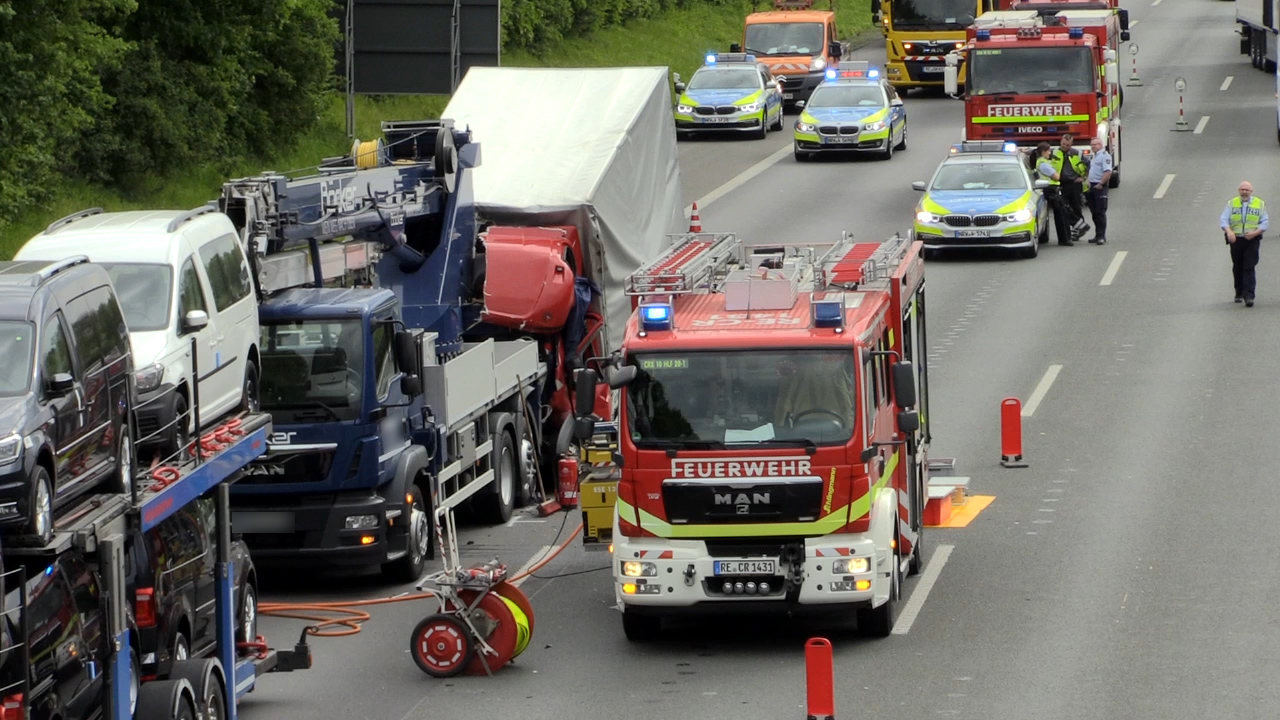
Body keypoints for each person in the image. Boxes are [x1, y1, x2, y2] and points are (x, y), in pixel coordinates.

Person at [1220, 181, 1269, 307]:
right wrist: (1229, 231)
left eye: (1246, 190)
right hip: (1236, 239)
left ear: (1251, 191)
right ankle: (1239, 292)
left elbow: (1264, 222)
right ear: (1238, 190)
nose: (1244, 192)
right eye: (1242, 189)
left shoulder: (1259, 203)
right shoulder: (1232, 203)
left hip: (1252, 239)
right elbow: (1224, 219)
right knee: (1238, 266)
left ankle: (1249, 296)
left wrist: (1255, 233)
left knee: (1249, 266)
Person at [1028, 142, 1074, 246]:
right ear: (1043, 152)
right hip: (1050, 189)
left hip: (1048, 189)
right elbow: (1056, 177)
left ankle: (1065, 238)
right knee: (1061, 215)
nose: (1050, 153)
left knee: (1061, 214)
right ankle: (1064, 239)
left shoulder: (1042, 162)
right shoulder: (1043, 163)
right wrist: (1056, 172)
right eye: (1048, 151)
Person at [1050, 133, 1090, 238]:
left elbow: (1089, 163)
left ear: (1071, 144)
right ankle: (1068, 232)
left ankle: (1080, 230)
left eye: (1067, 145)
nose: (1065, 146)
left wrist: (1084, 178)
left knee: (1076, 207)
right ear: (1060, 142)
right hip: (1061, 184)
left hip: (1074, 184)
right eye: (1063, 144)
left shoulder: (1077, 153)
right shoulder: (1054, 152)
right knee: (1064, 208)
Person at [1084, 137, 1112, 245]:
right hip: (1093, 186)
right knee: (1094, 212)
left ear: (1100, 145)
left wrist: (1101, 183)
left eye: (1095, 144)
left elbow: (1108, 171)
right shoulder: (1095, 156)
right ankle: (1097, 235)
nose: (1092, 146)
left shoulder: (1104, 156)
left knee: (1100, 212)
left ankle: (1101, 236)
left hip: (1100, 186)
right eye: (1091, 145)